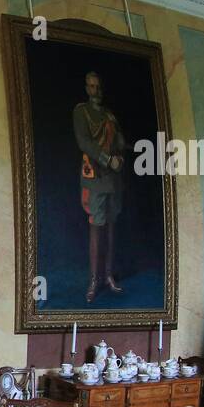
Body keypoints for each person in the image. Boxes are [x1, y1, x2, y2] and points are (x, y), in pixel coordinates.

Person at [73, 71, 128, 302]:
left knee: (112, 226)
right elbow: (84, 142)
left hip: (113, 179)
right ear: (87, 88)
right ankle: (94, 280)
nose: (95, 90)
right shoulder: (81, 112)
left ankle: (108, 276)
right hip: (95, 177)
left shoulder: (109, 115)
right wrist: (107, 160)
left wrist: (121, 157)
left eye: (98, 86)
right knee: (97, 228)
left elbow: (119, 141)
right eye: (91, 86)